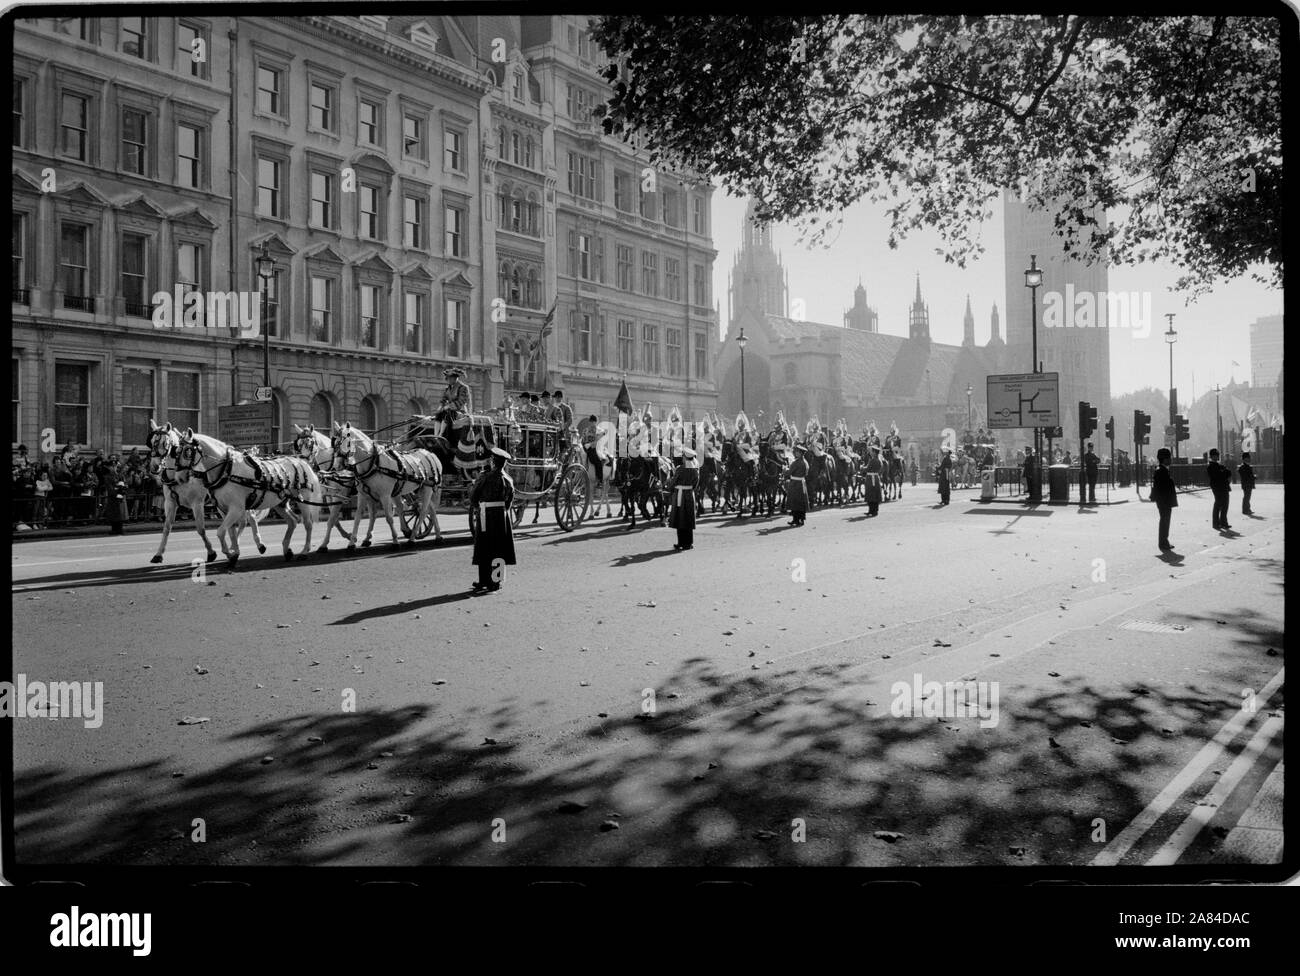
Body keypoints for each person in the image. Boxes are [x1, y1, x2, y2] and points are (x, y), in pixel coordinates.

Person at [470, 446, 515, 593]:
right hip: (501, 516)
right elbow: (510, 500)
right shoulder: (508, 479)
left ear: (493, 462)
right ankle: (496, 582)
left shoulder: (485, 477)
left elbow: (473, 496)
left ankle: (483, 580)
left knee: (484, 547)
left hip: (486, 515)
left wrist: (478, 508)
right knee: (499, 549)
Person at [667, 447, 700, 550]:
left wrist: (670, 486)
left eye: (683, 456)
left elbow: (673, 483)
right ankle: (689, 543)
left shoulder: (680, 469)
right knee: (688, 519)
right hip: (690, 494)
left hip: (680, 495)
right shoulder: (695, 470)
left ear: (685, 458)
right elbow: (696, 484)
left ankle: (681, 542)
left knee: (680, 519)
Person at [1151, 447, 1177, 550]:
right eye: (1168, 458)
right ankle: (1163, 542)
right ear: (1164, 459)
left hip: (1164, 500)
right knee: (1165, 521)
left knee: (1165, 520)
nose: (1170, 460)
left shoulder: (1162, 470)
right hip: (1164, 500)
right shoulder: (1161, 471)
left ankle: (1164, 541)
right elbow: (1162, 487)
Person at [435, 367, 473, 440]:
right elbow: (443, 399)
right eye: (447, 378)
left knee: (447, 413)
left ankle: (440, 434)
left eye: (449, 378)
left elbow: (461, 401)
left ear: (455, 378)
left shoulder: (463, 387)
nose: (447, 380)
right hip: (450, 410)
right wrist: (440, 407)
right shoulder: (448, 388)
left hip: (460, 412)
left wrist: (449, 406)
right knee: (439, 414)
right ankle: (436, 435)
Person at [1206, 448, 1233, 530]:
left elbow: (1228, 472)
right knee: (1218, 504)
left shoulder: (1218, 465)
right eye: (1215, 455)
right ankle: (1216, 523)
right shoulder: (1211, 466)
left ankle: (1223, 522)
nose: (1217, 457)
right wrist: (1223, 472)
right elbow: (1219, 475)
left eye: (1217, 455)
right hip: (1218, 487)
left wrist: (1223, 472)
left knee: (1225, 505)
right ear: (1211, 456)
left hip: (1223, 487)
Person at [786, 444, 809, 526]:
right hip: (802, 483)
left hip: (795, 483)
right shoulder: (805, 462)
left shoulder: (796, 462)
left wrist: (784, 469)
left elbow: (789, 473)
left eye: (797, 452)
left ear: (800, 453)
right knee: (801, 502)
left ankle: (796, 519)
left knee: (795, 502)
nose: (795, 453)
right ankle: (801, 519)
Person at [863, 444, 883, 516]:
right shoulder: (878, 460)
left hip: (871, 479)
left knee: (871, 495)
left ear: (874, 452)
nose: (870, 452)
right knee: (874, 495)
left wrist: (862, 467)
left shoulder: (873, 460)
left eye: (871, 451)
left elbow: (867, 469)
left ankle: (873, 511)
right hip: (875, 478)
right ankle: (872, 511)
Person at [1238, 451, 1256, 515]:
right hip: (1247, 484)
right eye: (1248, 458)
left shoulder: (1244, 466)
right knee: (1247, 497)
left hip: (1246, 484)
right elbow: (1246, 476)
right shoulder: (1244, 467)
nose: (1249, 459)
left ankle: (1247, 509)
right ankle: (1245, 509)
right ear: (1245, 459)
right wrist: (1253, 477)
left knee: (1247, 497)